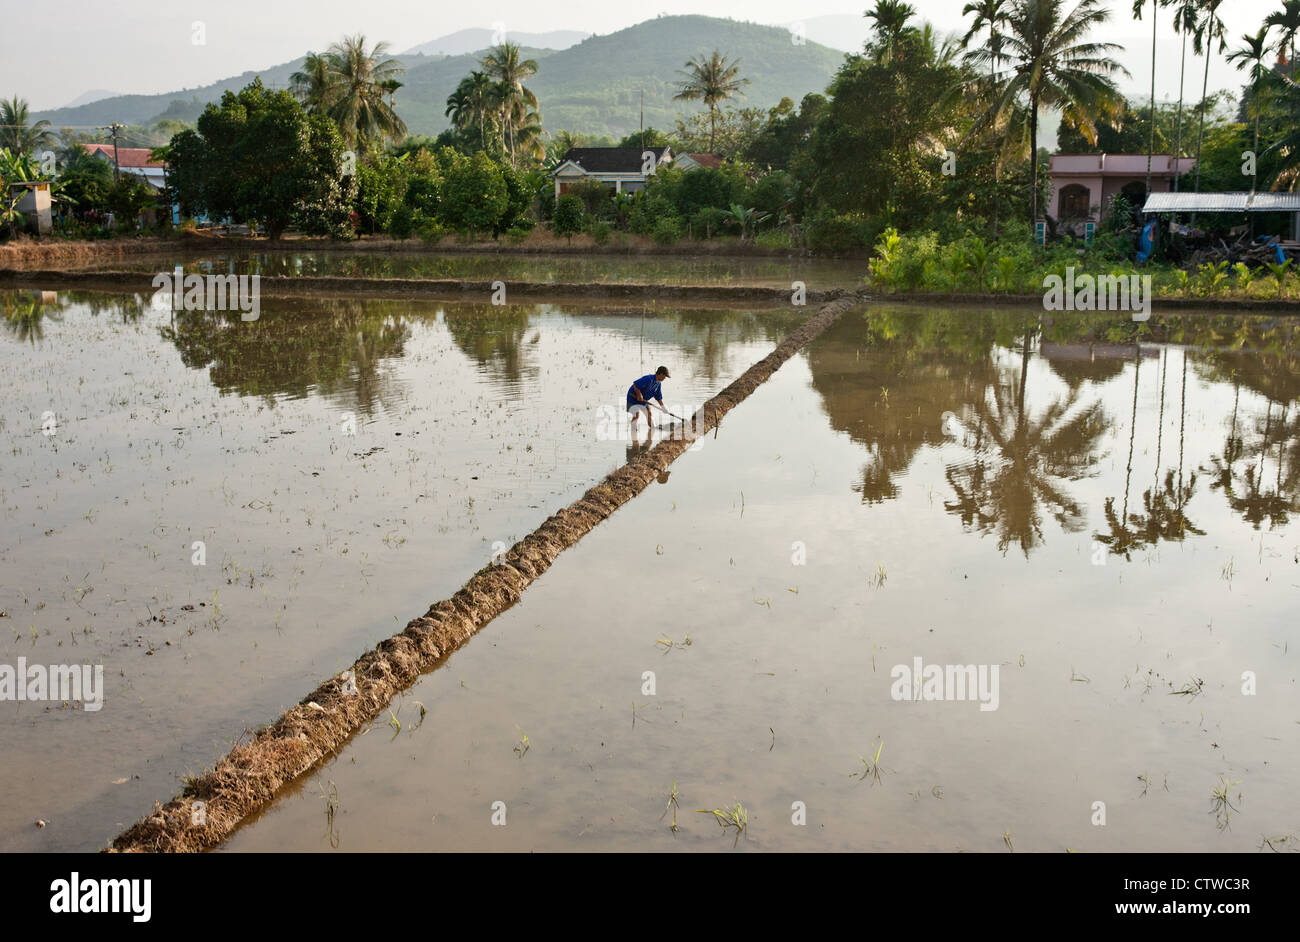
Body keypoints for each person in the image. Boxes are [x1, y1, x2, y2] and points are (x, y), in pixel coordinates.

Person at [626, 365, 670, 436]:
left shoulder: (658, 384)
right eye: (665, 376)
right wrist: (639, 394)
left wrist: (663, 407)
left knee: (649, 413)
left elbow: (658, 397)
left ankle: (653, 429)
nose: (665, 378)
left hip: (643, 400)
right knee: (636, 415)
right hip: (632, 397)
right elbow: (635, 385)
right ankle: (633, 434)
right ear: (661, 374)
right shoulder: (648, 379)